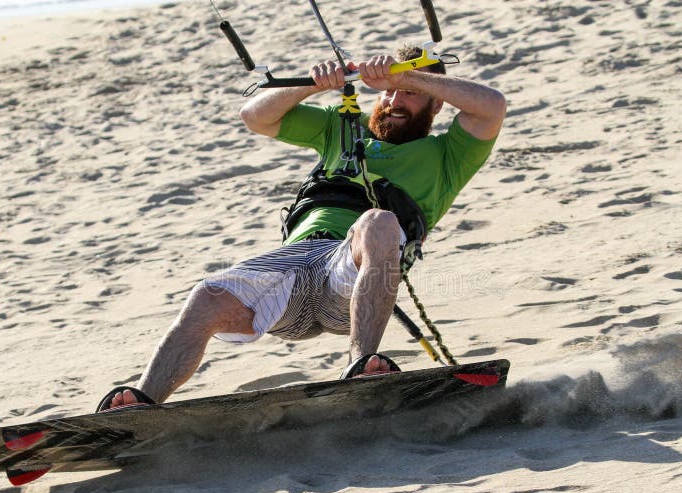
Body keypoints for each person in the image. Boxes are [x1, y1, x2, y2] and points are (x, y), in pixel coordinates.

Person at [98, 46, 506, 411]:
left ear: (436, 104)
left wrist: (404, 75)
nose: (395, 101)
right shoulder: (340, 127)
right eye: (389, 92)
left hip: (349, 282)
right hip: (292, 275)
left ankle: (361, 366)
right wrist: (314, 83)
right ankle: (140, 406)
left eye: (410, 94)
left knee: (378, 221)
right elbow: (255, 116)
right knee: (208, 295)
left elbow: (492, 106)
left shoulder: (449, 154)